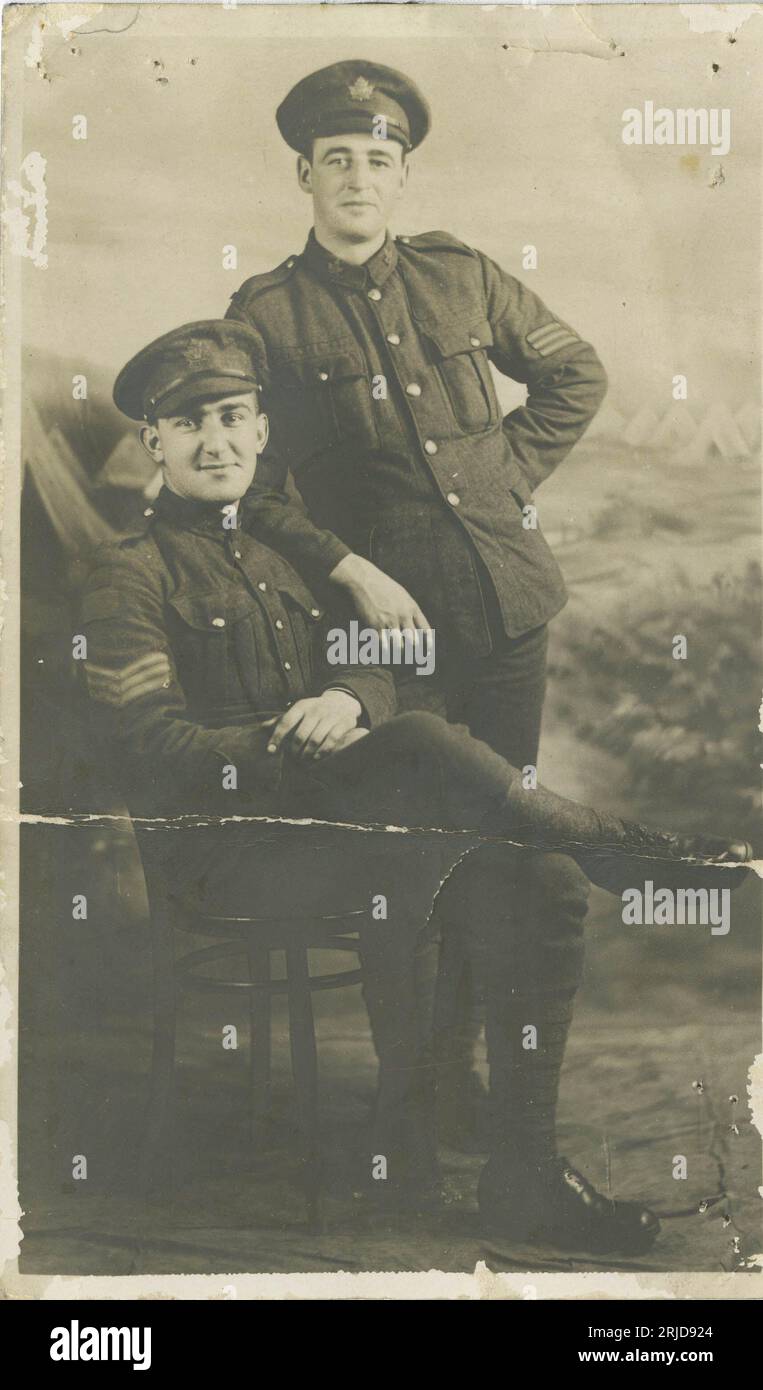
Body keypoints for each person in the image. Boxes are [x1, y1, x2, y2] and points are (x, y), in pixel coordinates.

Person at [80, 320, 751, 1253]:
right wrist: (287, 739)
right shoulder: (128, 575)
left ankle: (521, 1176)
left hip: (334, 832)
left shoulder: (288, 553)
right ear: (154, 440)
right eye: (189, 424)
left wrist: (348, 697)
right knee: (424, 749)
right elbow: (143, 744)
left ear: (262, 430)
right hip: (230, 855)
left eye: (232, 417)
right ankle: (609, 847)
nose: (215, 441)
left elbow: (372, 663)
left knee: (540, 880)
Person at [224, 60, 609, 1132]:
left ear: (401, 176)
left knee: (504, 849)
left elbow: (575, 372)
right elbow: (252, 486)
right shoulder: (266, 314)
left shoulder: (459, 273)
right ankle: (415, 1095)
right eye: (336, 159)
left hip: (507, 609)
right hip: (385, 640)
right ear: (304, 175)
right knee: (410, 859)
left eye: (377, 159)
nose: (358, 177)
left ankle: (472, 1083)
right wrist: (349, 567)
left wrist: (501, 481)